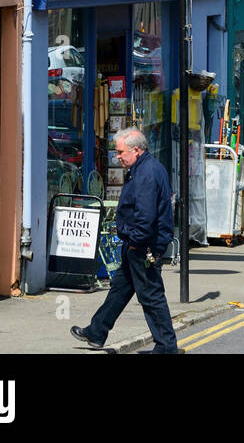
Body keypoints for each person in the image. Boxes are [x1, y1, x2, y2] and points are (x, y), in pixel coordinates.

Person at [71, 127, 178, 353]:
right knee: (120, 288)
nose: (117, 157)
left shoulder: (146, 173)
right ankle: (97, 331)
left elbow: (146, 216)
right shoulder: (143, 168)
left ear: (136, 150)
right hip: (138, 244)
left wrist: (135, 241)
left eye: (120, 152)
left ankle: (167, 347)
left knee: (151, 297)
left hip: (143, 245)